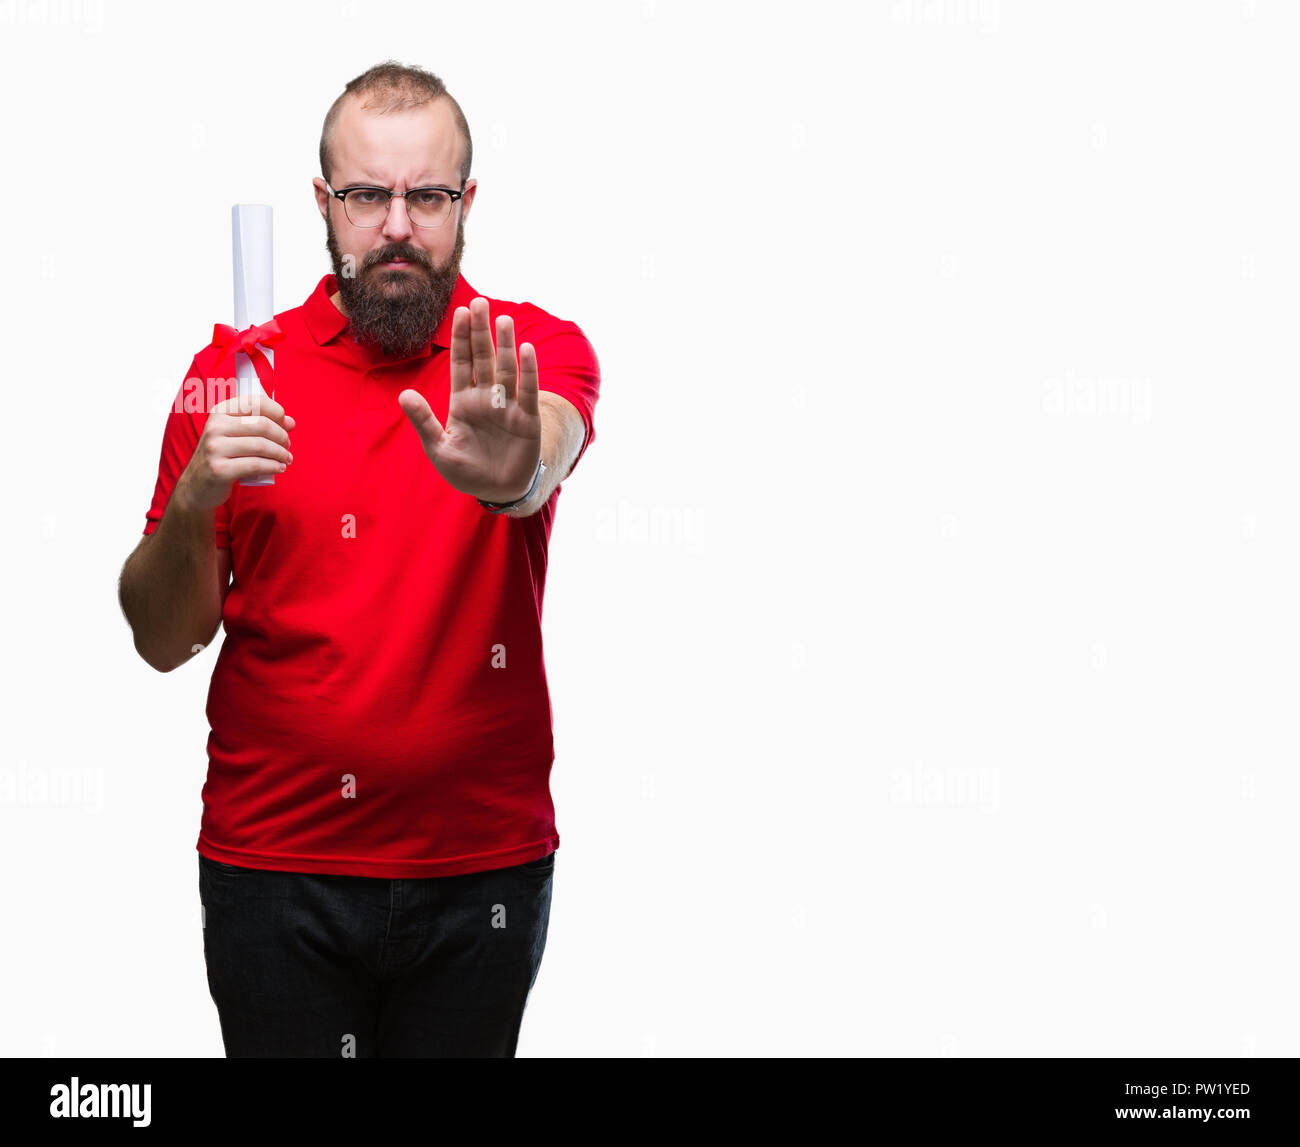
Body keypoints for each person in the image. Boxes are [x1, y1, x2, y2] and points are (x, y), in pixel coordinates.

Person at [117, 60, 600, 1058]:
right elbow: (163, 638)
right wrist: (200, 493)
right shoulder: (231, 376)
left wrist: (514, 467)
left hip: (481, 872)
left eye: (425, 195)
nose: (395, 224)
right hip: (274, 869)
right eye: (367, 194)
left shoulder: (520, 351)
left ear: (464, 205)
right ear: (324, 204)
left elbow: (545, 441)